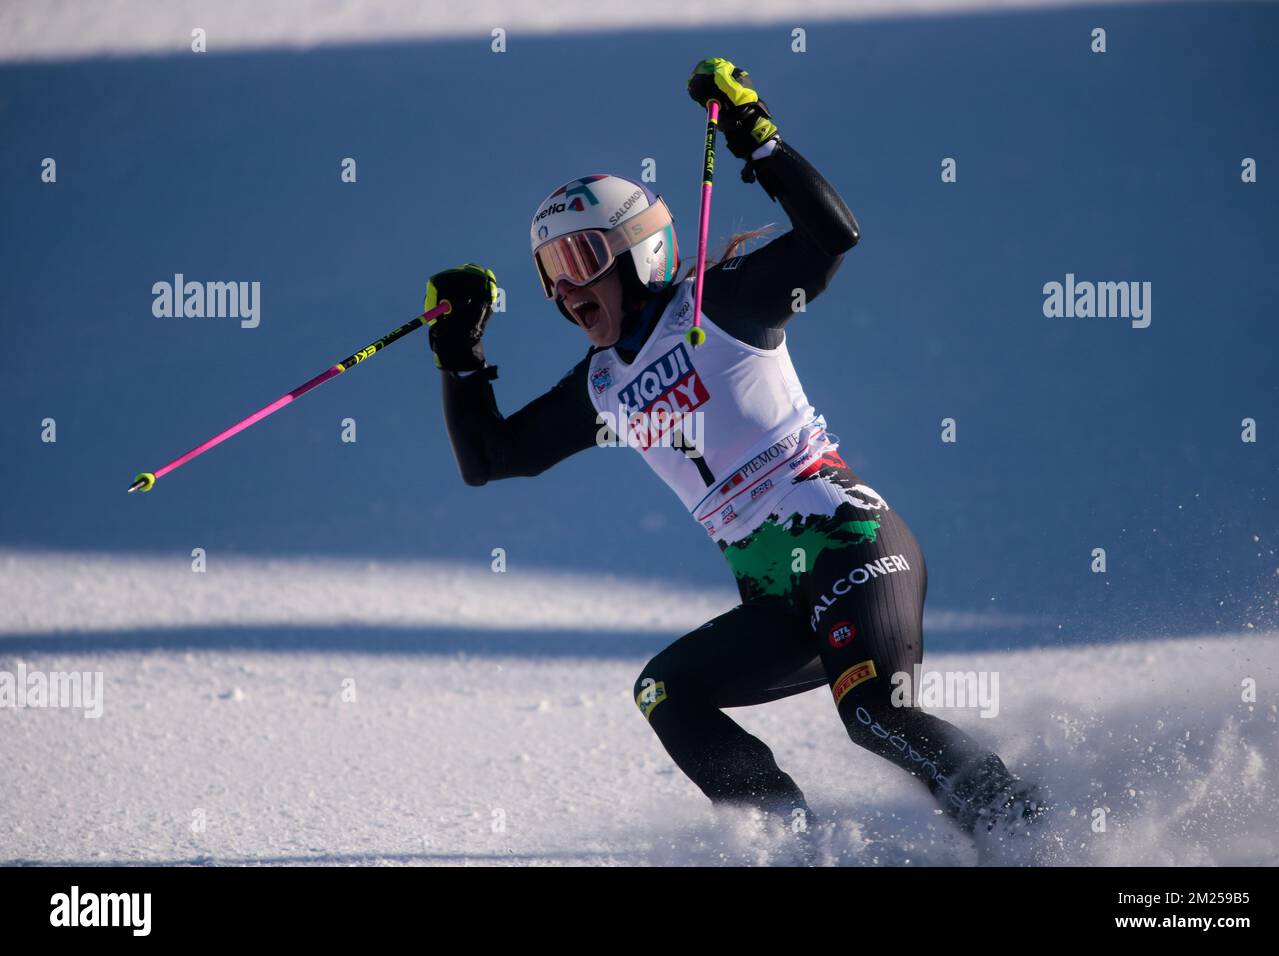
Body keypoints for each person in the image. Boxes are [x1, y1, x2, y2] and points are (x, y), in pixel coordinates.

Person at [426, 57, 1045, 855]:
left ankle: (1029, 832)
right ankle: (792, 847)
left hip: (849, 544)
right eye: (550, 272)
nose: (565, 290)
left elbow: (832, 237)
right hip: (779, 599)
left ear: (640, 252)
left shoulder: (717, 305)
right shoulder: (604, 383)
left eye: (580, 260)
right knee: (666, 691)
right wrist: (459, 355)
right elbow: (492, 457)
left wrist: (759, 137)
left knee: (873, 716)